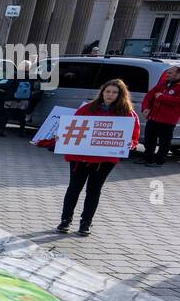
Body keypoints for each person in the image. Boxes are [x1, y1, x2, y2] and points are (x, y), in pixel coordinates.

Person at [52, 79, 140, 237]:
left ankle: (85, 223)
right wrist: (61, 137)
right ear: (102, 92)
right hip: (79, 158)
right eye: (107, 92)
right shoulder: (88, 108)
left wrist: (131, 144)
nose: (110, 95)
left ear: (120, 95)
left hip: (103, 160)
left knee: (93, 191)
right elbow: (72, 126)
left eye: (114, 92)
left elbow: (133, 135)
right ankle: (65, 220)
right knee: (74, 188)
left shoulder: (127, 113)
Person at [139, 65, 180, 166]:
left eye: (170, 73)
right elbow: (149, 96)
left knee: (164, 143)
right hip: (153, 117)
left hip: (167, 120)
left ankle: (159, 161)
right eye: (167, 72)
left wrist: (163, 97)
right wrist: (145, 108)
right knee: (149, 140)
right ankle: (147, 158)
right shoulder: (162, 84)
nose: (167, 74)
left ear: (179, 75)